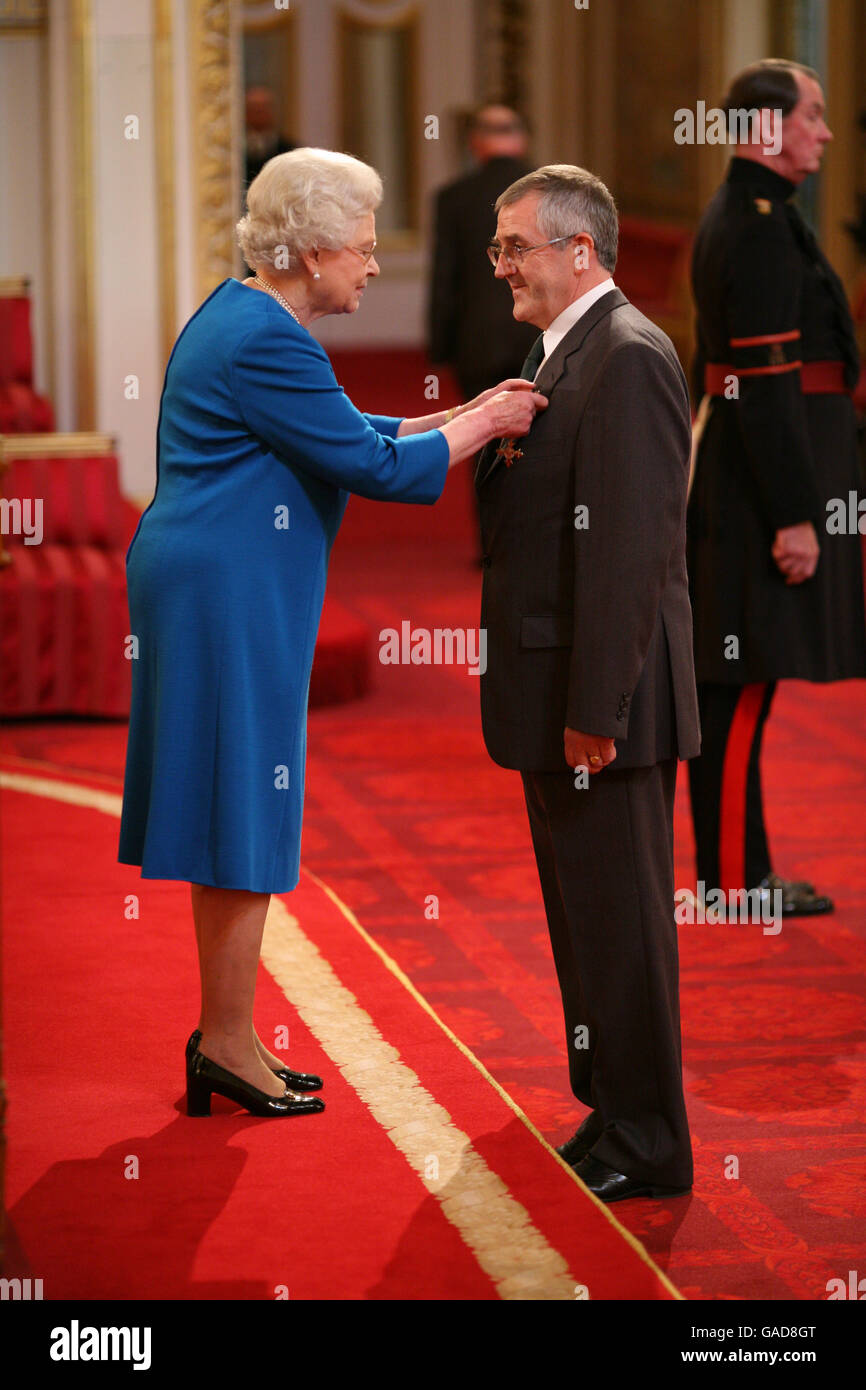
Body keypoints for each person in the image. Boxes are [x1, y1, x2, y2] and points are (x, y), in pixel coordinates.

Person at [117, 148, 545, 1120]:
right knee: (240, 806)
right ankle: (225, 1042)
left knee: (237, 803)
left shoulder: (251, 317)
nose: (372, 265)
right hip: (225, 588)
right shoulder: (267, 337)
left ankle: (228, 1035)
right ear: (310, 251)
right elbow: (371, 465)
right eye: (360, 248)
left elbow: (341, 428)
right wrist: (483, 427)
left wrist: (460, 413)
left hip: (219, 577)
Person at [476, 164, 700, 1202]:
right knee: (584, 925)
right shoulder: (562, 349)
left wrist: (593, 711)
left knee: (622, 929)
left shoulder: (627, 355)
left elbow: (629, 555)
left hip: (597, 710)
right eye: (496, 246)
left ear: (579, 250)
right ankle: (611, 1110)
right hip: (557, 694)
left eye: (514, 246)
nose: (500, 264)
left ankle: (650, 1139)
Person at [687, 60, 865, 919]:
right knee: (741, 684)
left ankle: (738, 872)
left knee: (744, 684)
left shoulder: (761, 213)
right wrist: (795, 515)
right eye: (814, 116)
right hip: (760, 492)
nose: (826, 133)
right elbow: (758, 379)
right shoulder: (755, 225)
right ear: (768, 128)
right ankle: (731, 880)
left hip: (746, 474)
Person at [428, 104, 538, 405]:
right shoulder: (552, 193)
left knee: (483, 436)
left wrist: (439, 347)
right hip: (538, 333)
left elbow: (444, 276)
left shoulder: (453, 197)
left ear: (474, 142)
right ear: (523, 139)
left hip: (476, 340)